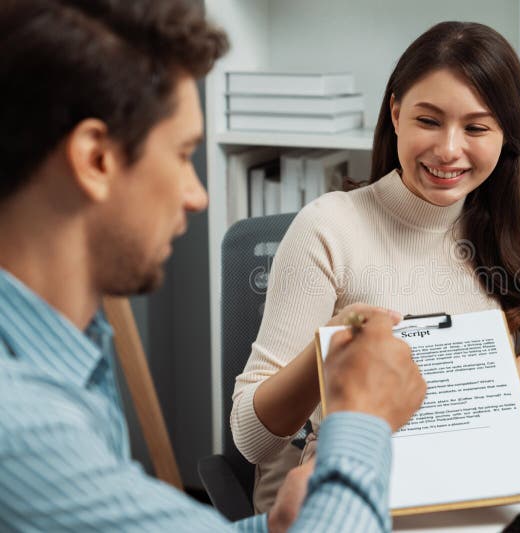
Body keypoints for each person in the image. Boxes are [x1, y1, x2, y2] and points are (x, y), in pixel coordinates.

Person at [0, 1, 426, 532]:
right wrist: (362, 419)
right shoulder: (22, 426)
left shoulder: (67, 342)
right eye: (183, 155)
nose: (197, 195)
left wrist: (275, 526)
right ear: (96, 159)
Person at [232, 20, 520, 511]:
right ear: (396, 114)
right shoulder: (328, 228)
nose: (449, 149)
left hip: (482, 479)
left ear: (505, 135)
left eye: (476, 128)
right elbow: (251, 439)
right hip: (358, 488)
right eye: (429, 121)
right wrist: (326, 351)